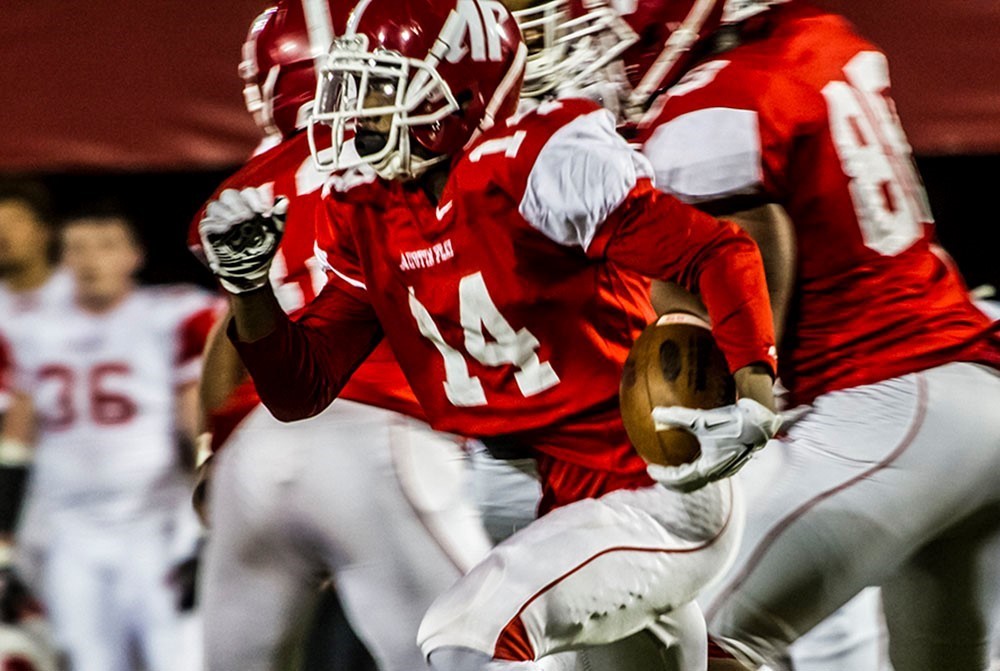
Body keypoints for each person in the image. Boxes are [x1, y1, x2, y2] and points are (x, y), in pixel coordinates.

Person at [198, 0, 782, 668]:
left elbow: (715, 252)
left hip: (643, 488)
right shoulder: (367, 206)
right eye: (352, 87)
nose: (355, 112)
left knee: (465, 632)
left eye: (382, 87)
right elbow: (301, 390)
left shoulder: (535, 158)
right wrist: (250, 287)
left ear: (461, 96)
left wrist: (754, 389)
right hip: (523, 487)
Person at [521, 1, 1000, 668]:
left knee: (674, 633)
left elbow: (740, 327)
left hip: (890, 405)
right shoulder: (816, 39)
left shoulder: (715, 105)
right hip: (969, 394)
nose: (610, 35)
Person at [190, 3, 494, 670]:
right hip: (382, 432)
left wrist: (215, 451)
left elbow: (229, 337)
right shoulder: (416, 153)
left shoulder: (250, 183)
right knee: (486, 656)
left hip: (253, 453)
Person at [3, 209, 215, 671]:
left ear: (134, 256)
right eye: (76, 248)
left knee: (177, 660)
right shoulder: (31, 329)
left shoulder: (168, 315)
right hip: (68, 529)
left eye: (105, 246)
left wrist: (205, 525)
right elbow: (16, 437)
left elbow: (195, 424)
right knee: (90, 661)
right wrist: (5, 543)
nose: (89, 260)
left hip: (154, 523)